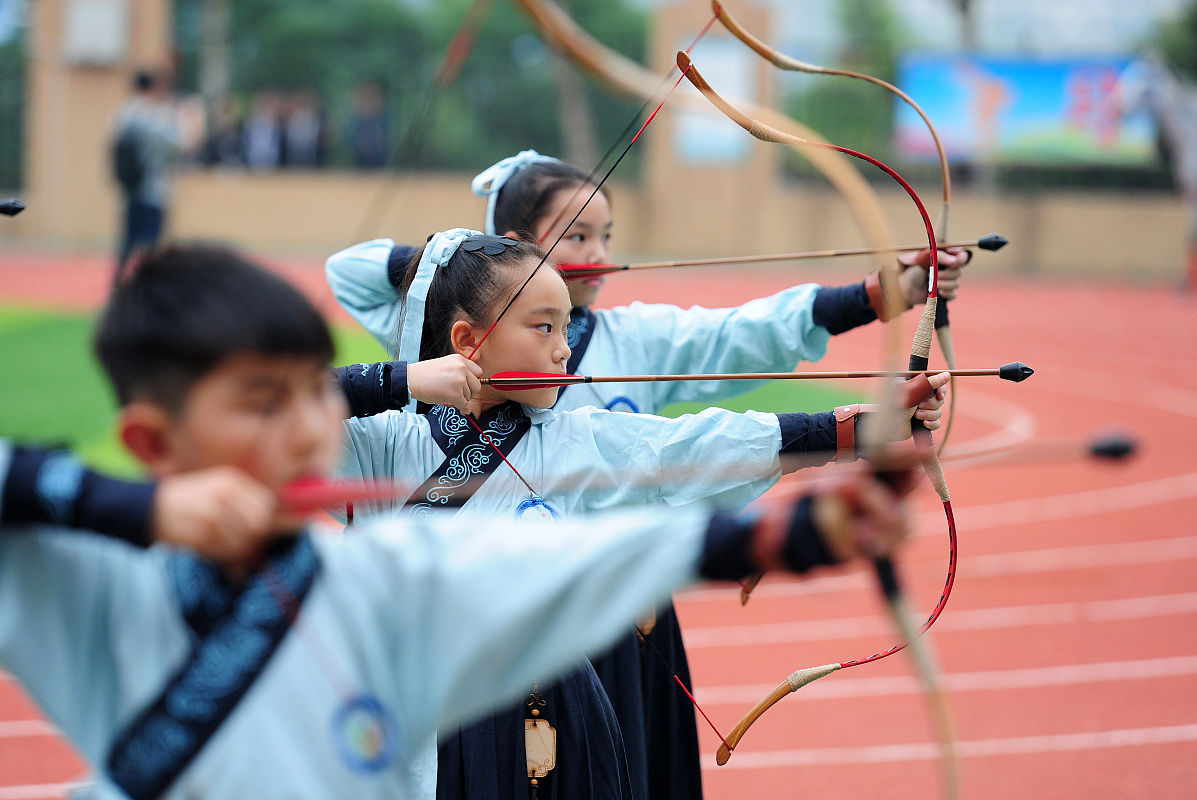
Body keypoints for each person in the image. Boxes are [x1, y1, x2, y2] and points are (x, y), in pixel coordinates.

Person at [0, 244, 917, 799]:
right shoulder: (94, 586)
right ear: (151, 439)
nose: (307, 426)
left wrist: (796, 531)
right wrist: (136, 506)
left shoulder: (377, 583)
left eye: (310, 397)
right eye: (259, 403)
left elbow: (574, 563)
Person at [325, 151, 965, 799]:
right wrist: (405, 373)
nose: (563, 346)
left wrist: (849, 429)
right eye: (544, 326)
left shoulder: (574, 438)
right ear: (467, 341)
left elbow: (688, 447)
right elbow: (264, 406)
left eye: (565, 327)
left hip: (546, 708)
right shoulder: (384, 443)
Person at [112, 69, 178, 285]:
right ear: (152, 88)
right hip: (154, 187)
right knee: (152, 239)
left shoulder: (123, 114)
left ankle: (119, 279)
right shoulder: (153, 116)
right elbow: (175, 144)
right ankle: (148, 283)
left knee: (129, 238)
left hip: (130, 185)